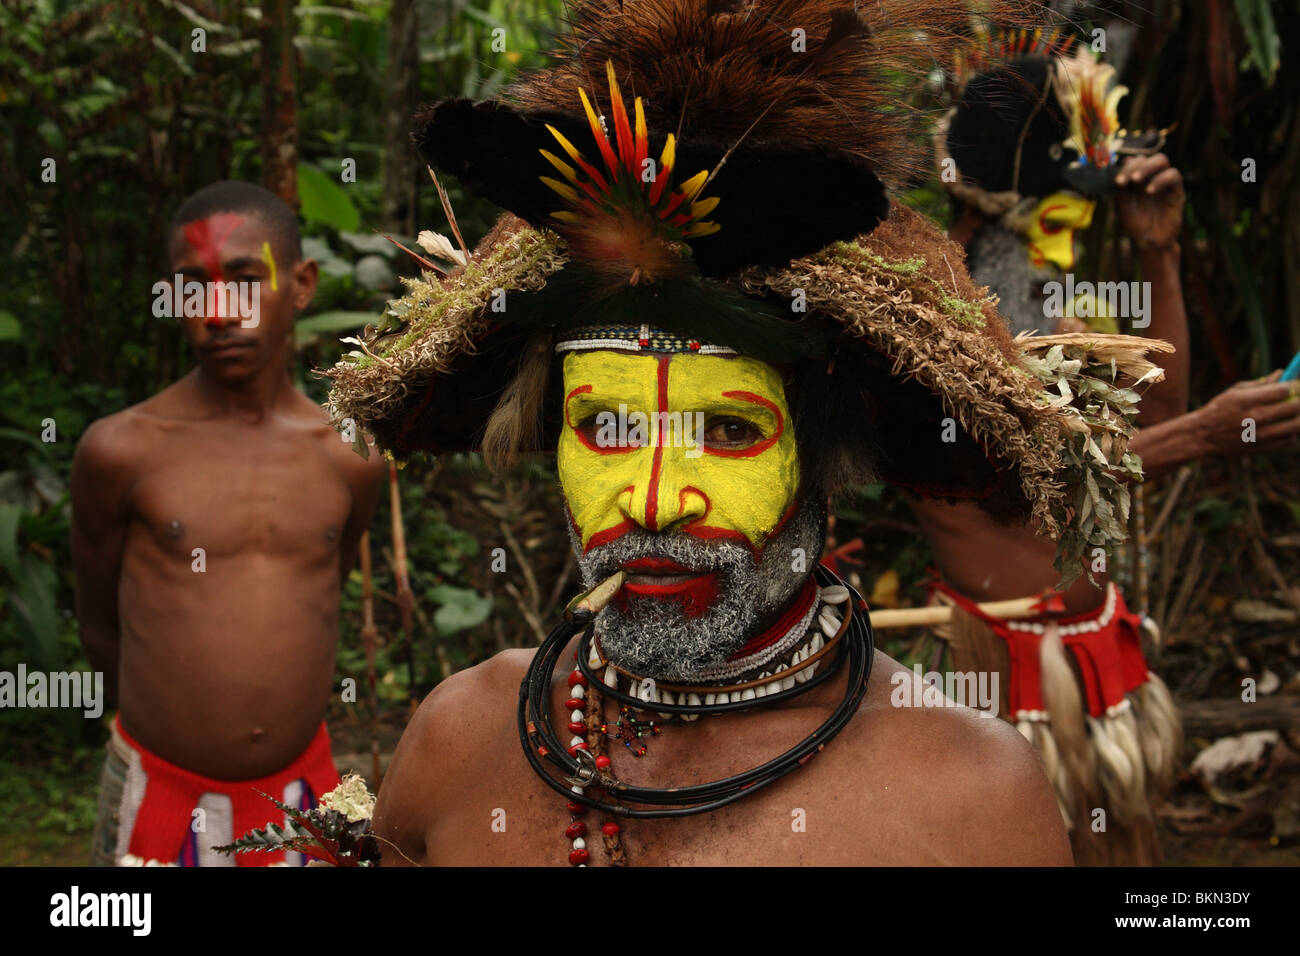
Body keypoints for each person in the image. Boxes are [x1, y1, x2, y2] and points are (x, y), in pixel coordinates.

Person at [326, 0, 1166, 866]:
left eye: (727, 430)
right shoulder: (457, 742)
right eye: (607, 424)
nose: (654, 501)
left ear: (826, 456)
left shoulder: (969, 802)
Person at [921, 30, 1300, 864]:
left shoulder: (1053, 304)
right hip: (1002, 680)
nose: (1070, 244)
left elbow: (1155, 405)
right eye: (1057, 216)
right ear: (994, 210)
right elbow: (1018, 487)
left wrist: (1159, 252)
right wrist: (1203, 438)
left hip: (1098, 655)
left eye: (1083, 218)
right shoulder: (932, 327)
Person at [72, 180, 386, 866]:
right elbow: (99, 623)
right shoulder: (120, 450)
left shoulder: (351, 458)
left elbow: (316, 594)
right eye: (191, 288)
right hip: (158, 793)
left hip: (303, 797)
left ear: (301, 285)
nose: (217, 312)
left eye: (245, 280)